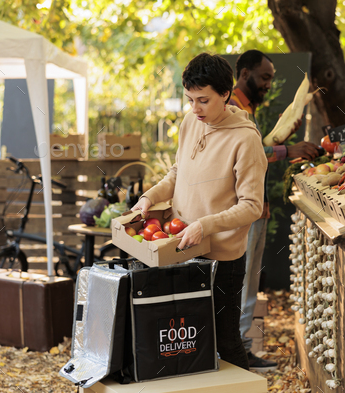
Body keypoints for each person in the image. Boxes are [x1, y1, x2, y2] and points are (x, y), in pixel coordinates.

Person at [131, 53, 267, 370]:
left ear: (226, 94)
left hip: (222, 259)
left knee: (226, 341)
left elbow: (252, 207)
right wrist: (148, 198)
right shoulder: (191, 122)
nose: (195, 108)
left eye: (203, 100)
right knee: (187, 340)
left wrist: (205, 226)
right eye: (190, 99)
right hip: (180, 246)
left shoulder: (246, 140)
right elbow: (177, 173)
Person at [229, 50, 320, 371]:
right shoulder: (233, 108)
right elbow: (250, 155)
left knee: (249, 279)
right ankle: (239, 352)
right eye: (265, 77)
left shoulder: (246, 108)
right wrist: (287, 149)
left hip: (252, 208)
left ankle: (241, 349)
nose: (269, 83)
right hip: (240, 211)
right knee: (244, 279)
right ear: (244, 74)